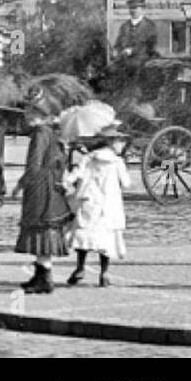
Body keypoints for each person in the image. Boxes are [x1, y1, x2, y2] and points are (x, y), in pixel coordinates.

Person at [13, 113, 73, 294]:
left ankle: (44, 278)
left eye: (31, 112)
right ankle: (40, 274)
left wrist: (20, 184)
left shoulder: (40, 133)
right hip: (51, 185)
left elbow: (34, 164)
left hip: (40, 187)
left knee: (40, 228)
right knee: (46, 229)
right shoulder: (56, 134)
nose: (26, 117)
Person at [64, 123, 131, 287]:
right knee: (106, 239)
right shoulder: (117, 162)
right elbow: (127, 183)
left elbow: (74, 176)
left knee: (83, 234)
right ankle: (104, 273)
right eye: (118, 141)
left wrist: (66, 183)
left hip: (89, 201)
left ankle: (80, 267)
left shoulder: (88, 158)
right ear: (111, 142)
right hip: (109, 205)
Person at [113, 0, 158, 69]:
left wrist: (132, 51)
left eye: (135, 8)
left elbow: (151, 46)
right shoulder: (125, 26)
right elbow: (118, 43)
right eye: (130, 8)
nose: (132, 10)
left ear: (142, 9)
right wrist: (117, 51)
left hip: (143, 63)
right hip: (124, 62)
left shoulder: (149, 25)